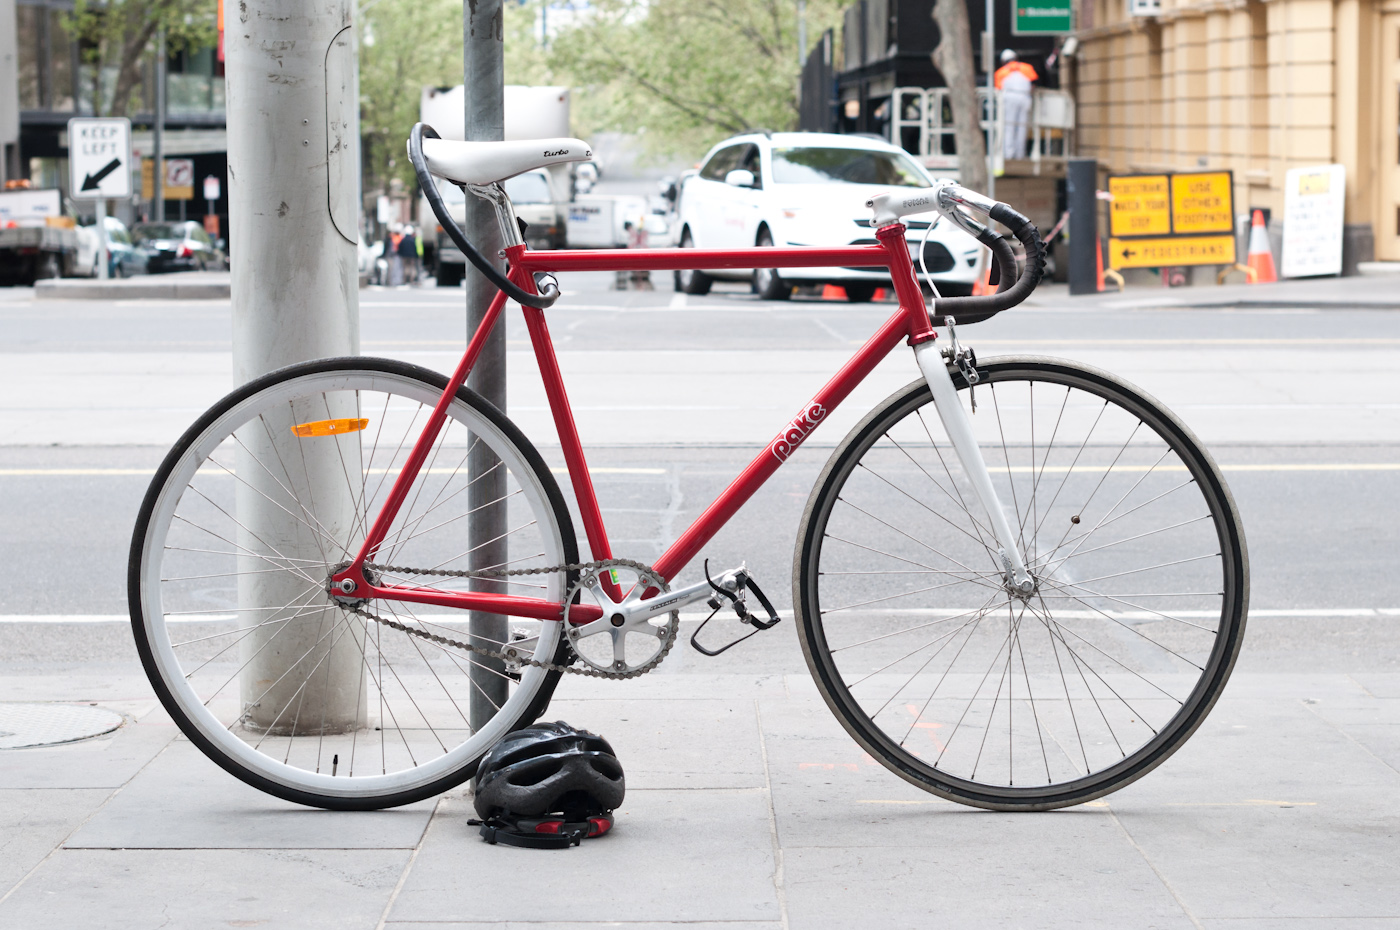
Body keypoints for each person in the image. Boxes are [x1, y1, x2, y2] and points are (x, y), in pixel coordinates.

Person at [995, 49, 1038, 160]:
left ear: (1003, 61)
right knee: (1022, 126)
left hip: (1009, 98)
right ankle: (1020, 154)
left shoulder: (1001, 72)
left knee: (1009, 126)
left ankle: (1008, 154)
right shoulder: (1027, 68)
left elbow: (999, 88)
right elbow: (1033, 83)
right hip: (1025, 97)